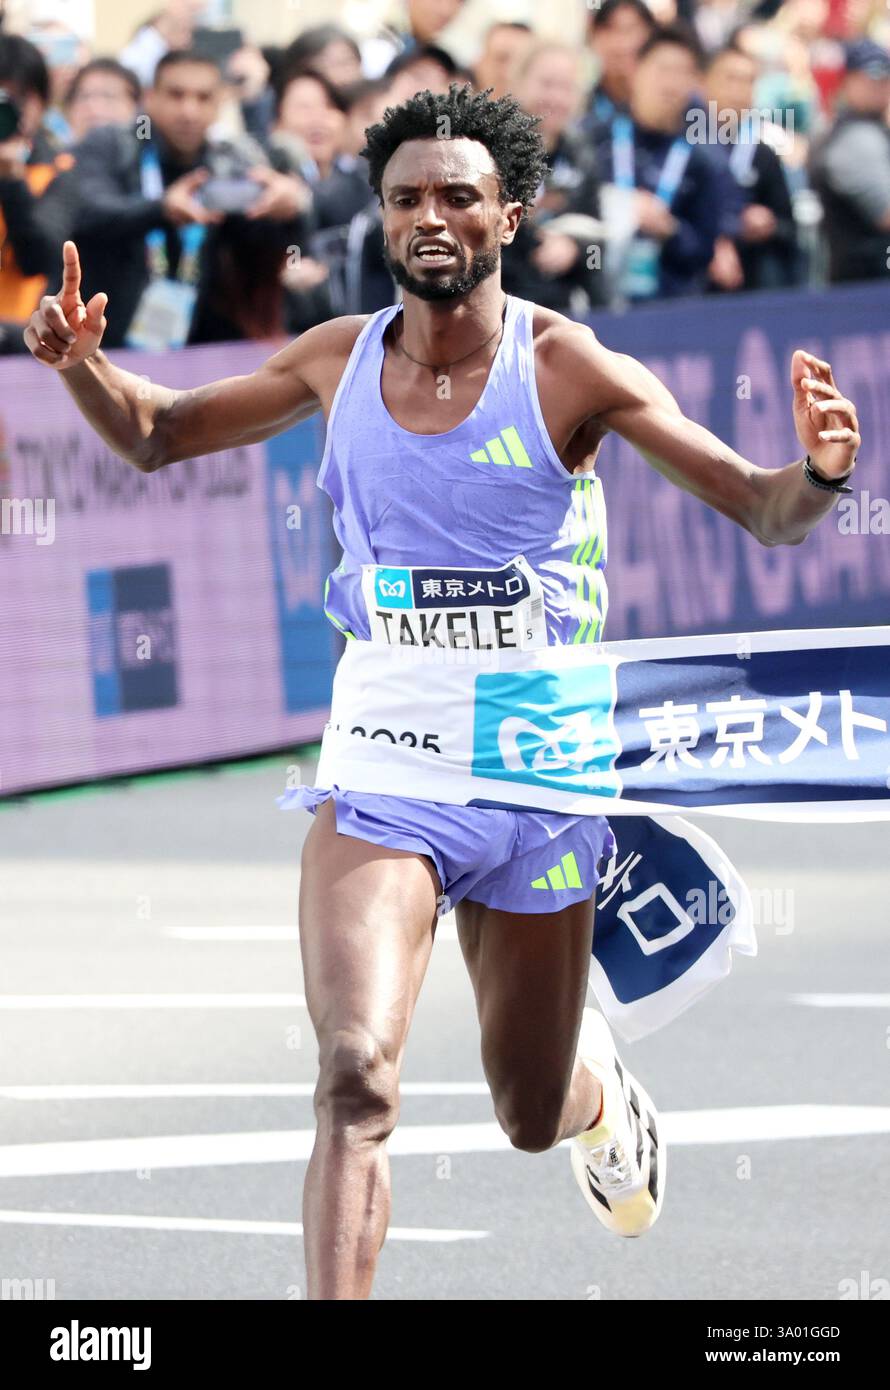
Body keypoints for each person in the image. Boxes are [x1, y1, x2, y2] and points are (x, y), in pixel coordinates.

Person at [23, 82, 861, 1301]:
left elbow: (758, 508)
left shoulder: (567, 367)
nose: (431, 215)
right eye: (407, 195)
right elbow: (157, 434)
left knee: (526, 1112)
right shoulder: (335, 357)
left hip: (536, 765)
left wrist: (821, 471)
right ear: (378, 213)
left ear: (507, 215)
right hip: (385, 758)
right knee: (355, 1072)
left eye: (458, 196)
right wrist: (83, 367)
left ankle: (592, 1088)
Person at [69, 49, 312, 347]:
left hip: (202, 349)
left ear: (220, 102)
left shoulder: (232, 160)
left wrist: (291, 209)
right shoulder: (110, 144)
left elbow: (265, 244)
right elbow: (84, 212)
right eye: (176, 95)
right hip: (104, 341)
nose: (189, 111)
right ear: (150, 97)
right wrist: (160, 208)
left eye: (203, 97)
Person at [591, 24, 723, 302]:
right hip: (598, 305)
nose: (671, 83)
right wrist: (618, 208)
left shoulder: (702, 160)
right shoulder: (594, 139)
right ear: (636, 70)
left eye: (683, 73)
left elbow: (705, 251)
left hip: (671, 307)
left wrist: (670, 230)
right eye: (663, 69)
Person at [700, 43, 799, 292]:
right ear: (704, 83)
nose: (739, 90)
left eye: (749, 81)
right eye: (730, 78)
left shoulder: (762, 153)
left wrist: (769, 225)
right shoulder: (685, 145)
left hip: (751, 280)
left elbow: (789, 226)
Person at [0, 34, 73, 352]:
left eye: (18, 99)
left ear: (42, 103)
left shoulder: (61, 171)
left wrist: (12, 180)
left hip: (23, 345)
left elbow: (39, 258)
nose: (8, 113)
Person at [808, 38, 890, 282]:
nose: (880, 86)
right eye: (870, 78)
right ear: (846, 82)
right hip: (865, 288)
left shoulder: (872, 130)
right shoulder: (856, 139)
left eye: (886, 78)